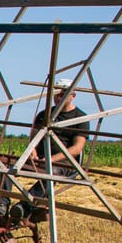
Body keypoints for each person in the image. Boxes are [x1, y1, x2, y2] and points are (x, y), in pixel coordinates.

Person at [11, 78, 90, 220]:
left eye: (62, 94)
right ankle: (0, 204)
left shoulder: (81, 118)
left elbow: (76, 148)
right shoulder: (44, 114)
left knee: (50, 173)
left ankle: (24, 207)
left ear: (73, 96)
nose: (58, 98)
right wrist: (33, 153)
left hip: (64, 163)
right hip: (39, 159)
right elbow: (33, 139)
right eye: (55, 94)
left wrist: (51, 159)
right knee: (8, 165)